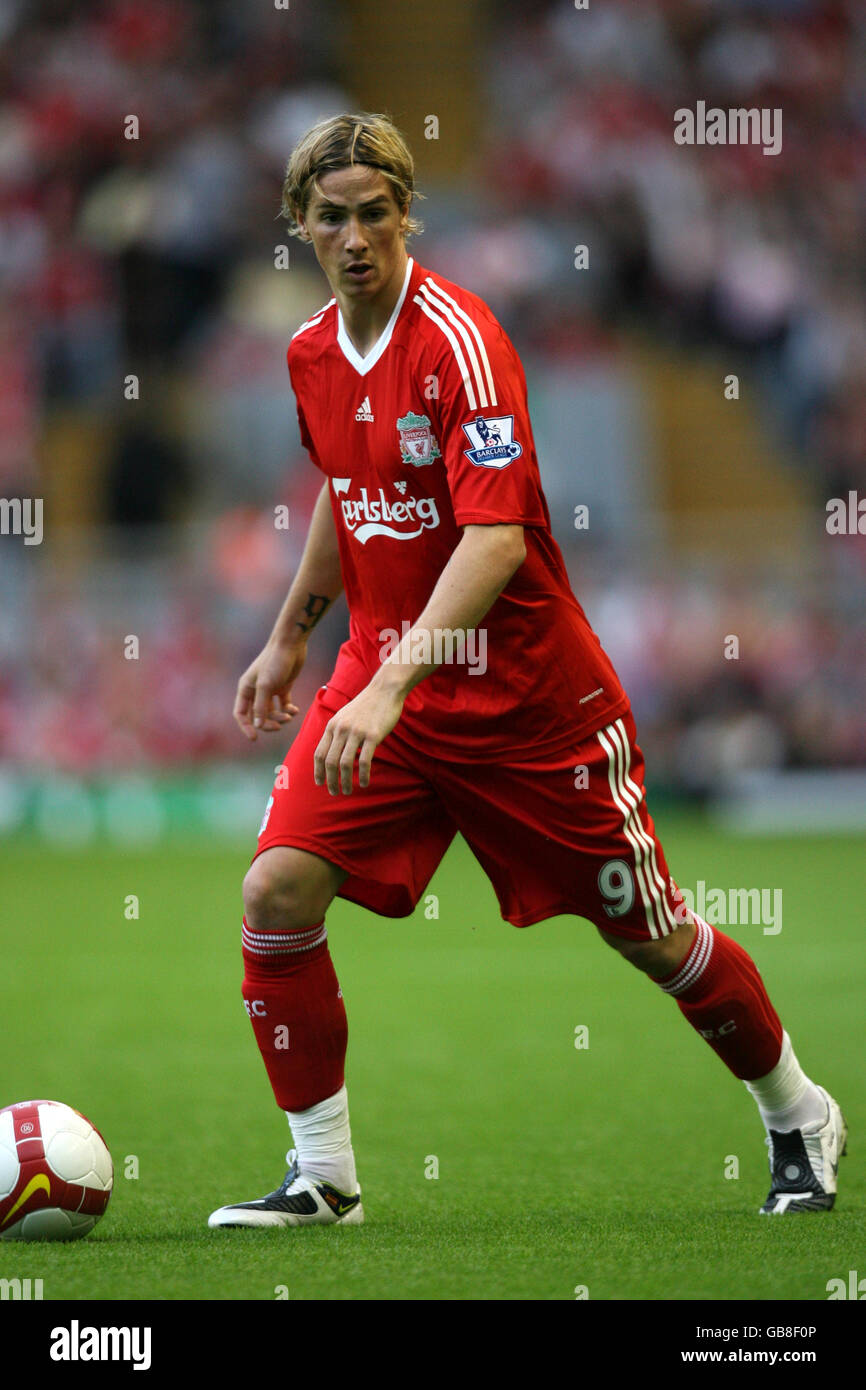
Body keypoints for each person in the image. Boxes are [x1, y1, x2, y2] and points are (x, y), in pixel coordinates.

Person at [208, 113, 845, 1229]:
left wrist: (387, 681)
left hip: (525, 705)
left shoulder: (459, 341)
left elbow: (494, 540)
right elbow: (342, 490)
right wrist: (291, 631)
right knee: (274, 891)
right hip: (387, 684)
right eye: (329, 217)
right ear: (298, 226)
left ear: (406, 214)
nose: (352, 236)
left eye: (372, 213)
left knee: (648, 932)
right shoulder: (311, 348)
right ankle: (324, 1177)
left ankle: (796, 1110)